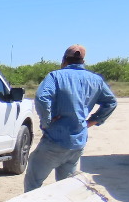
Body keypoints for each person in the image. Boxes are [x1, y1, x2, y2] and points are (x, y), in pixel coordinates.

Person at [23, 45, 117, 191]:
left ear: (64, 60)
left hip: (54, 141)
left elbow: (42, 97)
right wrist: (91, 121)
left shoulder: (55, 77)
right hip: (77, 143)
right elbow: (111, 102)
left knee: (33, 183)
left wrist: (46, 122)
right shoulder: (96, 80)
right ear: (83, 61)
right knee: (66, 188)